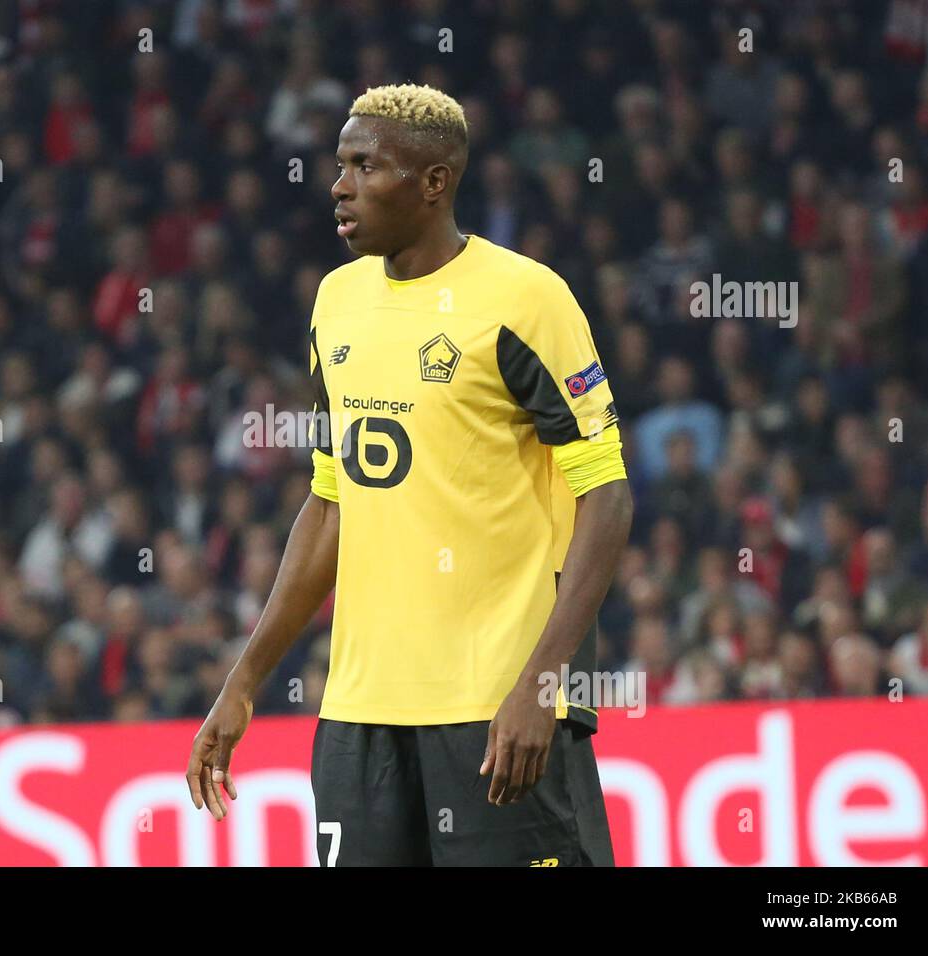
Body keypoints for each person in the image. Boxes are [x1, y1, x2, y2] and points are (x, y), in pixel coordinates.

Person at [190, 82, 633, 866]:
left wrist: (541, 686)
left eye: (366, 165)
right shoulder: (336, 302)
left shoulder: (527, 300)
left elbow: (607, 496)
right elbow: (331, 506)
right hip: (360, 717)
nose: (339, 184)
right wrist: (246, 679)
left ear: (434, 183)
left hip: (495, 706)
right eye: (339, 164)